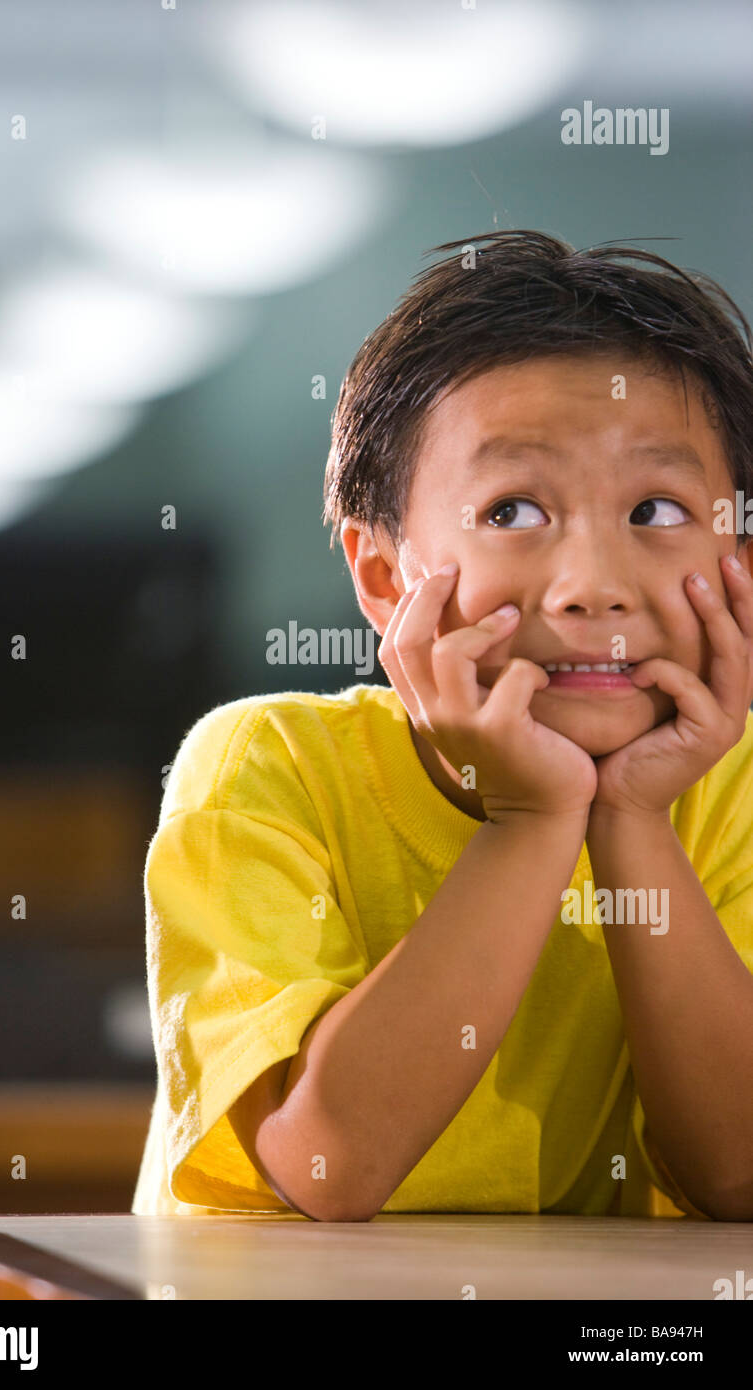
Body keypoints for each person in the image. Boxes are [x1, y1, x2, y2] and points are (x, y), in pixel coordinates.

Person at [133, 231, 753, 1222]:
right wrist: (532, 820)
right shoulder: (266, 765)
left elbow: (739, 1177)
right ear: (385, 578)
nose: (592, 586)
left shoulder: (731, 787)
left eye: (653, 506)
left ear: (739, 566)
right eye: (510, 510)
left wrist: (633, 819)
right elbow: (325, 1166)